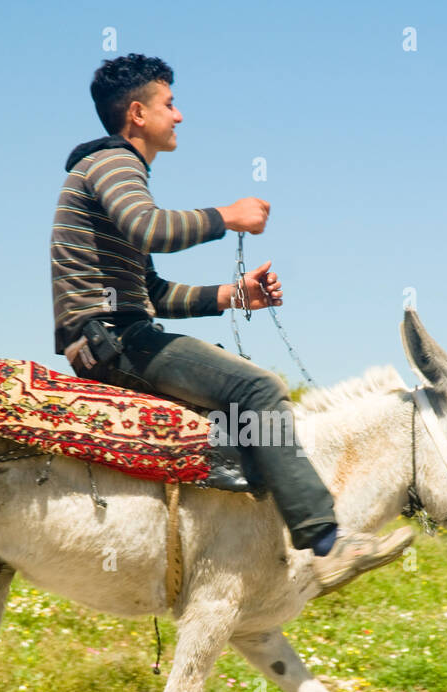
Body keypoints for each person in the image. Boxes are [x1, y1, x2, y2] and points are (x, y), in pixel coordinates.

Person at [51, 53, 412, 594]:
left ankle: (229, 549)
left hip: (117, 332)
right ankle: (326, 543)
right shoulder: (113, 164)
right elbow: (149, 227)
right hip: (116, 339)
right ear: (137, 114)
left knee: (241, 395)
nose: (179, 116)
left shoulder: (109, 172)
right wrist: (229, 216)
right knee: (258, 387)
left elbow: (151, 292)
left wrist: (232, 295)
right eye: (169, 104)